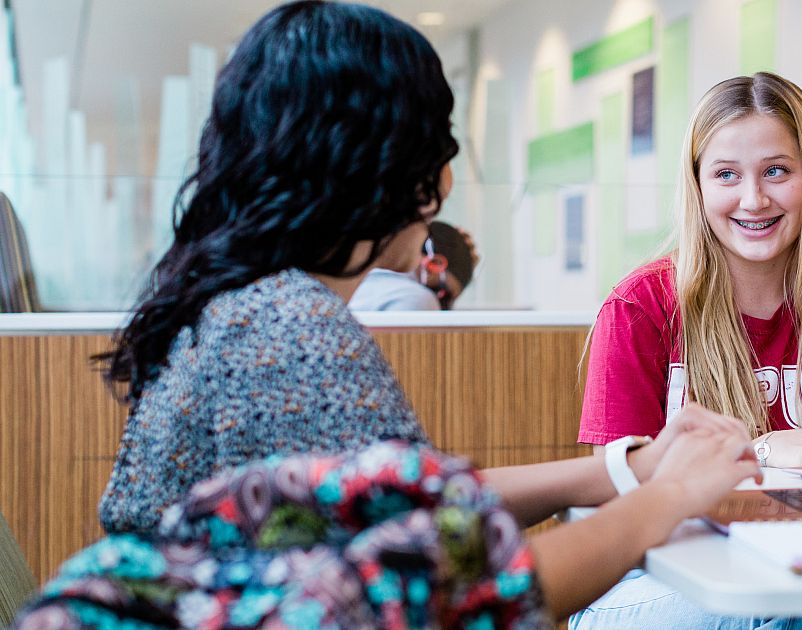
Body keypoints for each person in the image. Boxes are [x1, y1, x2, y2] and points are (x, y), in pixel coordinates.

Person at [33, 2, 762, 625]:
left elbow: (405, 505)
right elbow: (463, 590)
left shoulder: (240, 300)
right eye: (435, 143)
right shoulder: (288, 332)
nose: (445, 179)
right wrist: (667, 498)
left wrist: (621, 470)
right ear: (372, 160)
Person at [571, 73, 802, 629]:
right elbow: (605, 502)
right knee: (784, 607)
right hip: (653, 580)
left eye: (776, 170)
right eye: (726, 174)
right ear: (697, 186)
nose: (754, 199)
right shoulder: (640, 308)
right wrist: (763, 454)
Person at [348, 219, 480, 311]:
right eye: (444, 295)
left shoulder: (356, 274)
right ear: (435, 263)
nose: (442, 304)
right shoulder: (418, 298)